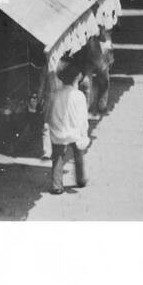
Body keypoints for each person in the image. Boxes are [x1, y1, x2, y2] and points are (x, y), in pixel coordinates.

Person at [45, 66, 89, 195]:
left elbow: (50, 114)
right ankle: (80, 180)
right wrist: (84, 134)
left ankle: (57, 185)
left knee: (57, 156)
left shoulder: (55, 95)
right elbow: (82, 118)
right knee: (78, 154)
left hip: (59, 132)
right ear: (76, 79)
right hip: (74, 132)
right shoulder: (79, 96)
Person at [85, 23, 114, 116]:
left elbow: (105, 36)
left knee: (93, 80)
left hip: (99, 49)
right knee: (101, 79)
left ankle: (94, 106)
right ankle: (99, 106)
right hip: (97, 48)